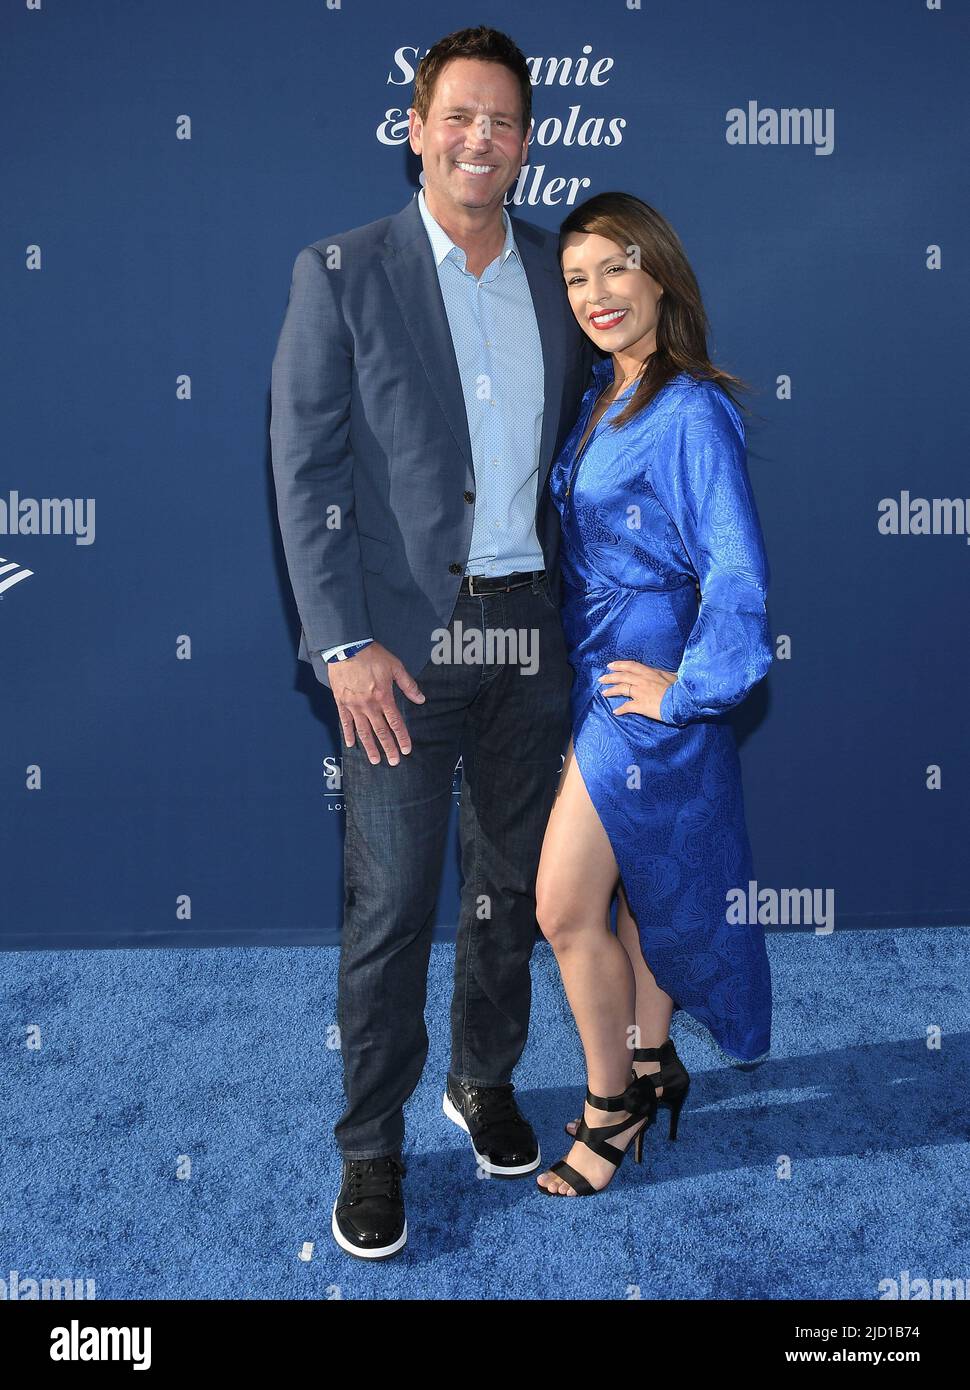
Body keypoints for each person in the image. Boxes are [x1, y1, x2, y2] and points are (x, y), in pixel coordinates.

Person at [269, 26, 592, 1256]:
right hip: (403, 650)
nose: (480, 139)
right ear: (416, 128)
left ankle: (484, 1080)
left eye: (503, 122)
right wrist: (341, 644)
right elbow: (305, 473)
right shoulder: (340, 271)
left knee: (510, 889)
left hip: (533, 637)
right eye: (459, 116)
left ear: (523, 143)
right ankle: (370, 1146)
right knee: (393, 902)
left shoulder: (564, 273)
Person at [534, 191, 774, 1197]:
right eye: (576, 278)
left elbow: (735, 570)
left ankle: (609, 1108)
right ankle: (648, 1057)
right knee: (649, 877)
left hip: (648, 689)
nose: (596, 294)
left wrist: (689, 689)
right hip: (601, 668)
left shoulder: (687, 407)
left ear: (660, 273)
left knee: (562, 904)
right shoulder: (600, 392)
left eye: (615, 269)